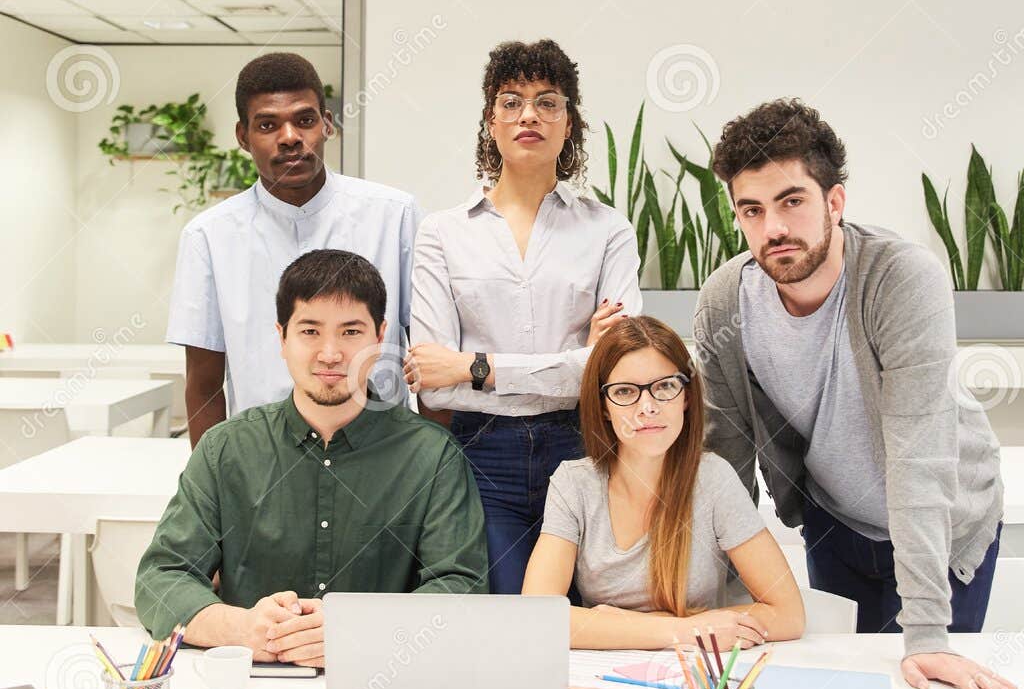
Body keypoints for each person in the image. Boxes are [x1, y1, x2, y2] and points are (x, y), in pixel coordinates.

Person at [693, 97, 1016, 689]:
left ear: (834, 202)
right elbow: (725, 466)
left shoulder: (900, 279)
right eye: (752, 210)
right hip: (834, 522)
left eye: (792, 201)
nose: (773, 230)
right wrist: (730, 608)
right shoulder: (724, 303)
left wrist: (925, 634)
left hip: (942, 526)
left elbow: (920, 460)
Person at [136, 250, 488, 665]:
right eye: (310, 331)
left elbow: (461, 587)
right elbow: (161, 577)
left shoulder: (433, 456)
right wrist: (241, 627)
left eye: (351, 332)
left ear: (380, 337)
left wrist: (357, 630)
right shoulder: (224, 449)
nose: (330, 353)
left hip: (383, 685)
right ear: (281, 338)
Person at [404, 38, 641, 593]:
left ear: (569, 123)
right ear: (491, 121)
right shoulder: (443, 233)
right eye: (511, 101)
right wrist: (577, 357)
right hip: (480, 457)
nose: (528, 114)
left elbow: (618, 374)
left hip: (583, 448)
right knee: (508, 622)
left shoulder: (608, 231)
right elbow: (435, 388)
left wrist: (474, 367)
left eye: (547, 101)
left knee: (586, 621)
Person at [168, 51, 418, 446]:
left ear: (327, 124)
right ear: (242, 137)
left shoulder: (394, 215)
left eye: (305, 120)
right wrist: (212, 485)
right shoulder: (208, 237)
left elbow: (428, 357)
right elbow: (203, 384)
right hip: (262, 458)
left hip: (383, 453)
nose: (289, 137)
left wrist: (436, 463)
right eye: (268, 124)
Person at [523, 316, 804, 650]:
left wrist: (613, 624)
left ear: (686, 396)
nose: (648, 407)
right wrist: (686, 630)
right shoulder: (573, 483)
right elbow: (539, 617)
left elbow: (788, 615)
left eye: (665, 387)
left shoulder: (713, 478)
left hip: (697, 676)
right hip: (602, 678)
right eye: (625, 391)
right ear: (603, 408)